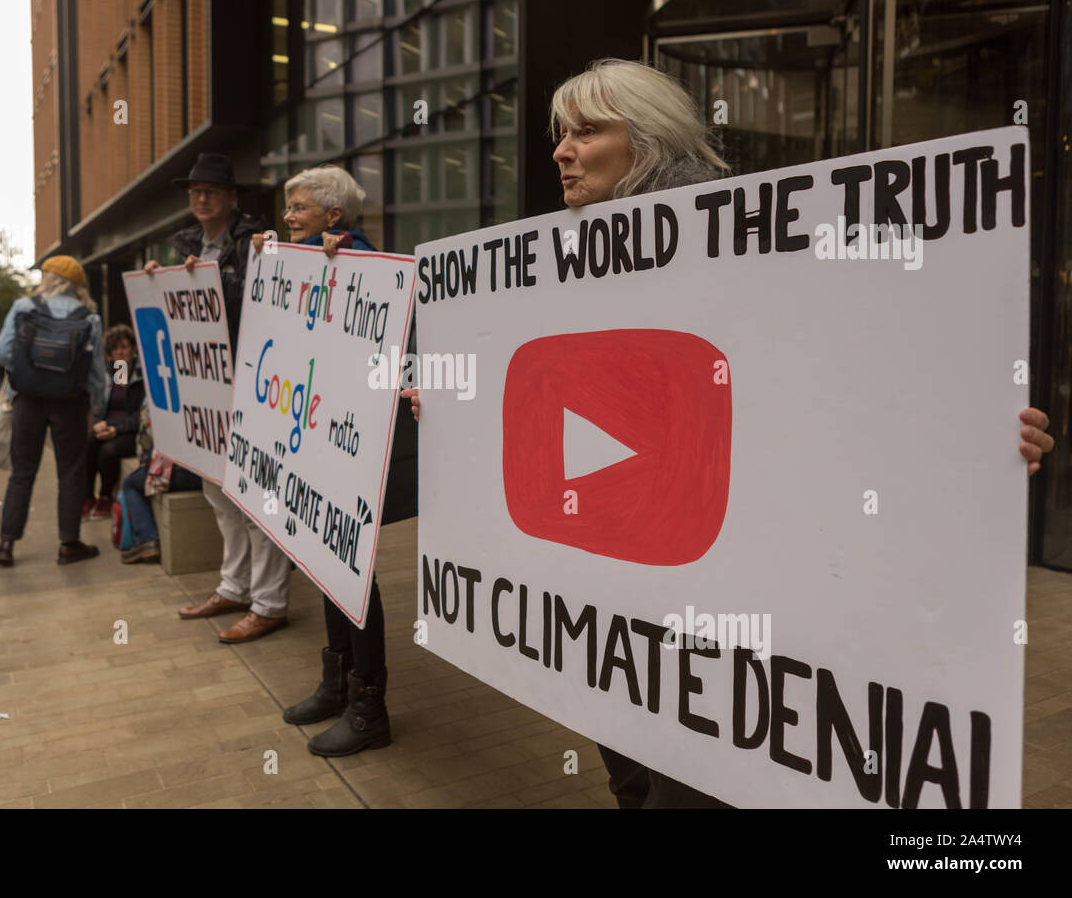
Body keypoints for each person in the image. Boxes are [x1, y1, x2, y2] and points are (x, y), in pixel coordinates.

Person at [399, 57, 1058, 806]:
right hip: (614, 604)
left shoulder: (756, 254)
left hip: (719, 632)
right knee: (632, 774)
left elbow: (848, 385)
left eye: (587, 131)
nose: (562, 150)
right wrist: (458, 411)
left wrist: (970, 438)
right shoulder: (567, 264)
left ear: (647, 142)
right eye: (562, 133)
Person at [243, 164, 404, 756]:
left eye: (300, 210)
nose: (288, 218)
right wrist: (266, 255)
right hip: (311, 439)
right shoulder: (301, 260)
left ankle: (369, 706)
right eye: (287, 210)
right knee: (321, 564)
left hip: (345, 445)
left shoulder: (357, 261)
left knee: (350, 570)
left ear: (333, 218)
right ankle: (336, 684)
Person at [146, 151, 291, 645]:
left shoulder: (258, 242)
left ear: (231, 197)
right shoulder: (185, 243)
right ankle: (235, 586)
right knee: (217, 492)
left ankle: (269, 601)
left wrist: (208, 283)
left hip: (249, 383)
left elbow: (264, 304)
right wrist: (160, 283)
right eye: (194, 192)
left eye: (210, 191)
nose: (200, 198)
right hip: (203, 387)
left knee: (252, 496)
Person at [0, 255, 105, 567]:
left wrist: (27, 376)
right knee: (70, 472)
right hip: (70, 402)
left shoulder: (24, 307)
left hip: (28, 400)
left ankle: (6, 544)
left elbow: (1, 352)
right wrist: (96, 408)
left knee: (22, 471)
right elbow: (97, 373)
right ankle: (69, 544)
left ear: (48, 278)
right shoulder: (89, 317)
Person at [118, 403, 203, 564]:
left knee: (130, 483)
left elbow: (146, 441)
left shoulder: (157, 396)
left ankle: (147, 540)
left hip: (178, 472)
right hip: (205, 470)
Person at [81, 324, 144, 521]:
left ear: (133, 348)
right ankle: (87, 497)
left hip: (131, 432)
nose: (120, 351)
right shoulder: (114, 372)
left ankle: (106, 497)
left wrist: (116, 429)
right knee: (88, 443)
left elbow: (141, 415)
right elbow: (99, 405)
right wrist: (99, 422)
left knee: (108, 451)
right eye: (115, 348)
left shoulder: (141, 375)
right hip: (108, 427)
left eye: (124, 346)